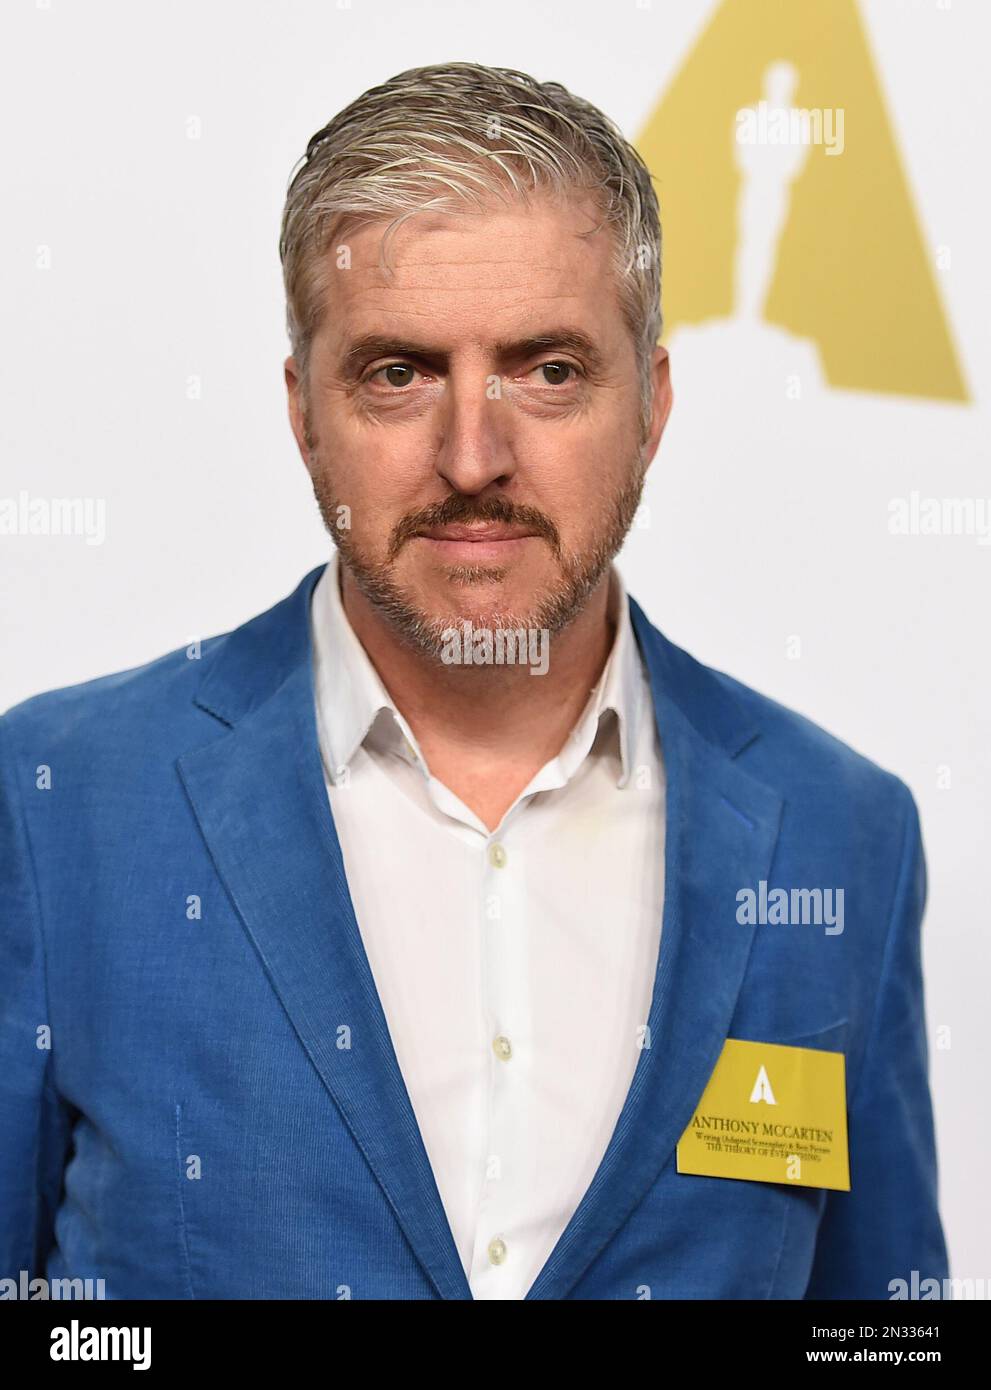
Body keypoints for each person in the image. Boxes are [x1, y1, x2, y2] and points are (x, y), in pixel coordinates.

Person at [0, 61, 948, 1300]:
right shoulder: (58, 803)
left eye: (548, 370)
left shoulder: (841, 831)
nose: (470, 455)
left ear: (651, 405)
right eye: (397, 372)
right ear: (301, 414)